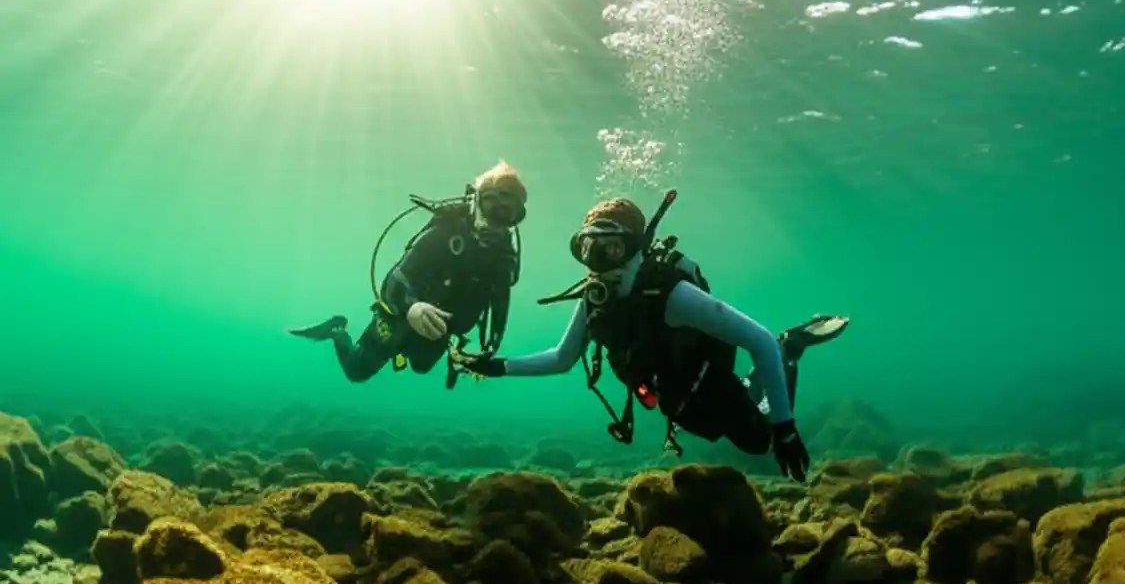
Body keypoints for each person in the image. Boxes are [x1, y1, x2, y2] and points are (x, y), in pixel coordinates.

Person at [451, 194, 848, 482]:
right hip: (679, 400)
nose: (599, 263)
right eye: (588, 249)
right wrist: (498, 366)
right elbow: (561, 358)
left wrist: (786, 428)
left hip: (709, 388)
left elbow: (757, 340)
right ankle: (770, 374)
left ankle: (791, 349)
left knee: (759, 441)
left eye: (612, 248)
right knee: (722, 417)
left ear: (635, 249)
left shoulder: (672, 295)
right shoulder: (595, 301)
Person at [288, 160, 528, 384]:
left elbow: (499, 306)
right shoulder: (445, 235)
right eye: (491, 205)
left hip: (438, 329)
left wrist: (489, 350)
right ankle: (337, 331)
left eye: (509, 212)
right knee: (357, 372)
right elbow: (394, 281)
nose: (498, 217)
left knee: (421, 367)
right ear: (476, 202)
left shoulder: (502, 259)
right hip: (400, 315)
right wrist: (412, 307)